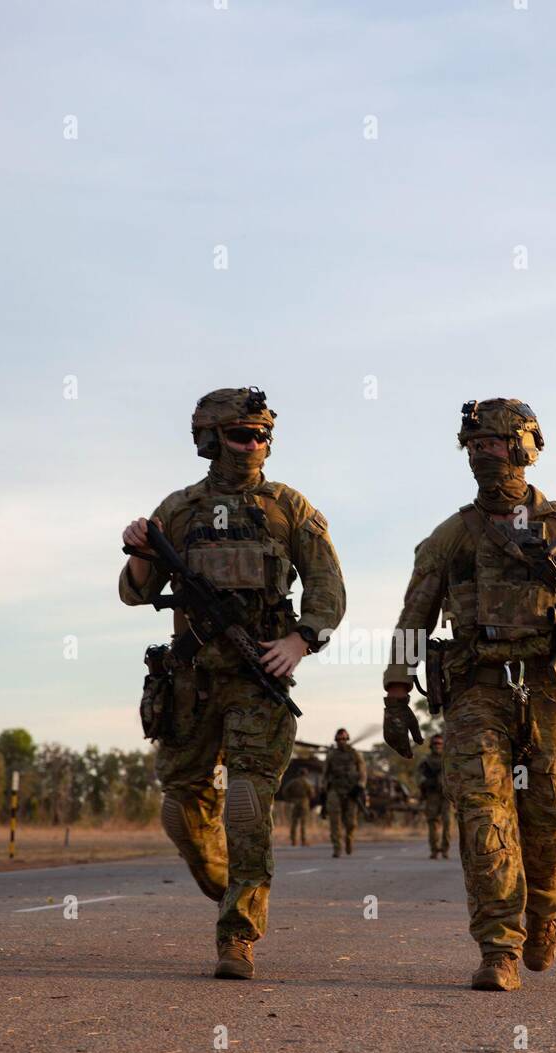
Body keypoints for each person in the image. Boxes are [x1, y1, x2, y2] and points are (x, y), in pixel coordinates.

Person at [382, 397, 556, 992]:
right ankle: (498, 948)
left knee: (551, 828)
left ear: (524, 448)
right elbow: (414, 616)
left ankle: (543, 913)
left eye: (494, 443)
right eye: (474, 445)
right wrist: (394, 689)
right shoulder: (452, 536)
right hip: (476, 692)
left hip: (548, 690)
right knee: (484, 819)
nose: (483, 453)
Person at [119, 386, 345, 980]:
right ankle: (225, 885)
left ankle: (238, 935)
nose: (254, 444)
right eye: (243, 434)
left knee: (246, 802)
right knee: (179, 807)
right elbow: (136, 591)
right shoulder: (179, 509)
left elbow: (327, 589)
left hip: (256, 675)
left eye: (262, 434)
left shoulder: (288, 507)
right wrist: (140, 549)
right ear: (210, 438)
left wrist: (299, 642)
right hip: (190, 677)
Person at [323, 728, 367, 857]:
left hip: (351, 790)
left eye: (343, 739)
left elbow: (363, 772)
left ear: (347, 740)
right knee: (334, 820)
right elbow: (325, 773)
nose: (341, 741)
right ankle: (337, 847)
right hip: (335, 789)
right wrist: (324, 789)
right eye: (339, 739)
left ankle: (349, 839)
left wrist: (360, 786)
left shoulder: (355, 754)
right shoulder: (331, 755)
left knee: (351, 822)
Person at [419, 733, 452, 859]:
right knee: (432, 822)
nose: (437, 746)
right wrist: (425, 783)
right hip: (432, 795)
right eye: (435, 744)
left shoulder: (449, 760)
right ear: (431, 746)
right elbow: (419, 777)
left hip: (447, 795)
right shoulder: (426, 761)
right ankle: (434, 849)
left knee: (447, 823)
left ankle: (445, 849)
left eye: (440, 744)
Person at [285, 771, 314, 846]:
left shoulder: (293, 782)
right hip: (304, 803)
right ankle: (303, 841)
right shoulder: (307, 783)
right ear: (305, 774)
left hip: (294, 803)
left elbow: (285, 790)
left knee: (294, 822)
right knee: (303, 823)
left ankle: (293, 841)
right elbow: (312, 794)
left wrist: (290, 799)